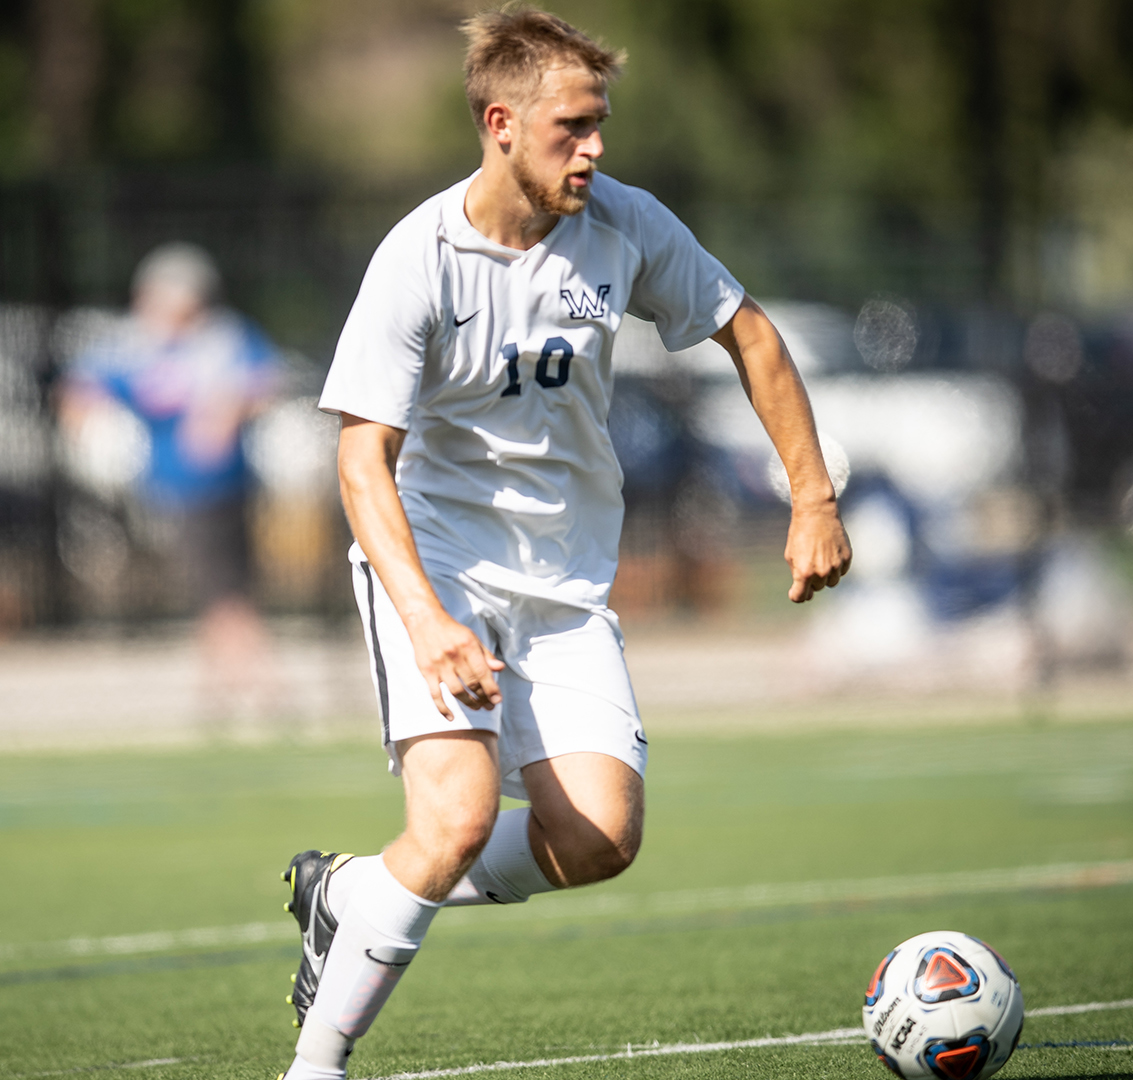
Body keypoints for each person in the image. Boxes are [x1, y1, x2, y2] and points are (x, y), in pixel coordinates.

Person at [278, 9, 852, 1079]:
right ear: (500, 124)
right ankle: (312, 1069)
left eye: (600, 126)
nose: (594, 149)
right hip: (435, 566)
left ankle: (352, 892)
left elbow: (752, 333)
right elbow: (362, 464)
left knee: (598, 841)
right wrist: (429, 620)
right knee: (451, 818)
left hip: (565, 589)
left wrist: (811, 496)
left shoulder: (624, 224)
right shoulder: (418, 258)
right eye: (571, 129)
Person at [61, 242, 281, 713]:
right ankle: (227, 683)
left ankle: (251, 681)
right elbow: (82, 390)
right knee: (212, 586)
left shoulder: (222, 339)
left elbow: (264, 383)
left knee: (224, 584)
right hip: (174, 488)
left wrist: (227, 410)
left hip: (221, 485)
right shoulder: (135, 344)